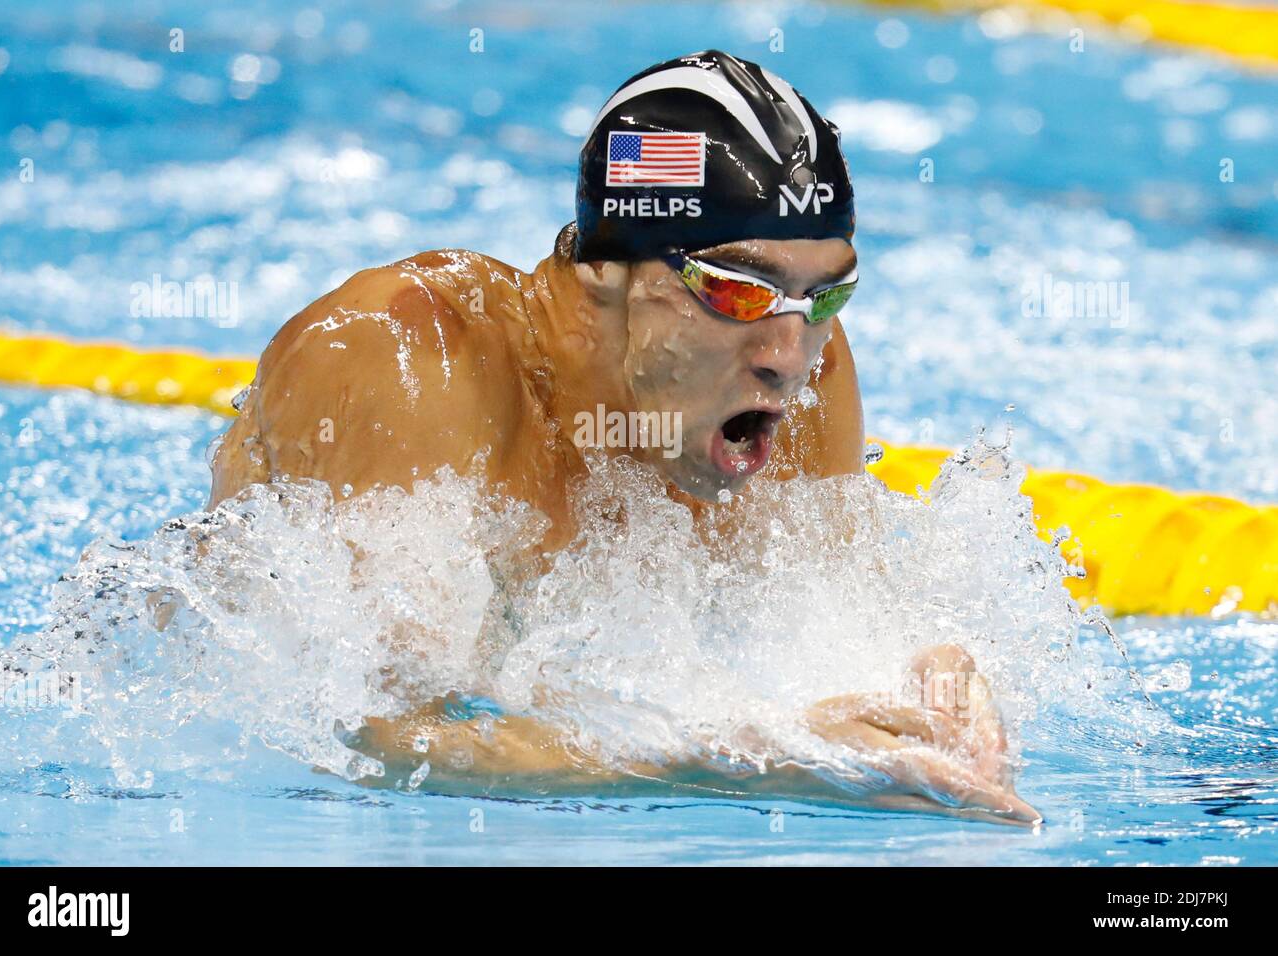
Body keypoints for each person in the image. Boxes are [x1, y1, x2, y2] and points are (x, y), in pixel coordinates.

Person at [209, 50, 1040, 824]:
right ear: (605, 276)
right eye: (736, 291)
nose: (789, 359)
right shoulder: (409, 357)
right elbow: (378, 732)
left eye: (825, 297)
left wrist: (933, 672)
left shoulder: (789, 372)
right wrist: (739, 755)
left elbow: (838, 614)